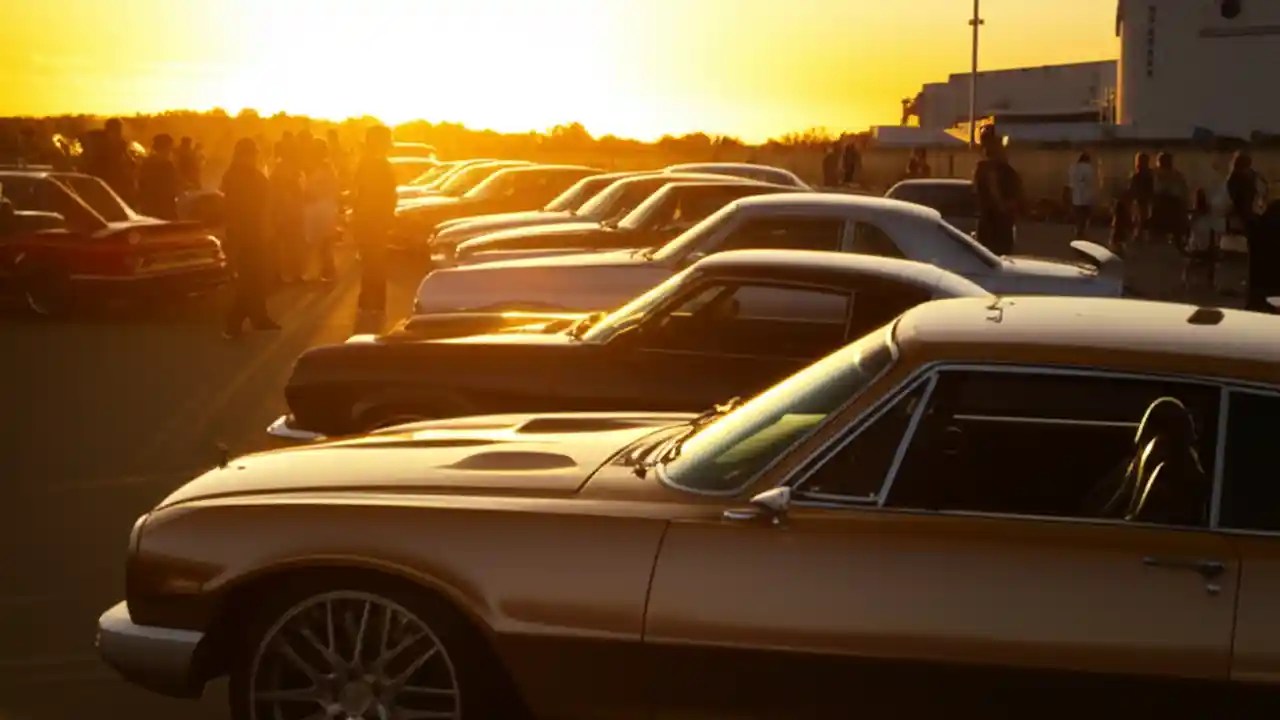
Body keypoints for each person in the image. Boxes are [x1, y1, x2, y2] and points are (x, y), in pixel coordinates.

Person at [221, 138, 280, 338]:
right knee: (250, 279)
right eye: (251, 153)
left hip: (255, 232)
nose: (254, 157)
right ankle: (233, 323)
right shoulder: (237, 177)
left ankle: (260, 317)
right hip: (246, 234)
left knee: (260, 278)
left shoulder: (250, 175)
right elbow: (237, 208)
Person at [351, 125, 397, 318]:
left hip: (368, 219)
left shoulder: (366, 163)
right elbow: (384, 194)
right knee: (375, 261)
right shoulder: (378, 165)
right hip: (373, 220)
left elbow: (359, 193)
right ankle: (373, 302)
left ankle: (369, 301)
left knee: (371, 261)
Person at [1227, 151, 1269, 311]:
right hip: (1246, 218)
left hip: (1247, 217)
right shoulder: (1239, 179)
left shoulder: (1239, 178)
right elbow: (1242, 201)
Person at [972, 125, 1022, 256]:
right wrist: (1004, 206)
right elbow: (995, 194)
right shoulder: (991, 169)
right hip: (996, 225)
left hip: (995, 224)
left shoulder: (986, 169)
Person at [269, 137, 306, 283]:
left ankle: (288, 273)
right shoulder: (283, 171)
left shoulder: (284, 170)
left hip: (290, 212)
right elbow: (277, 192)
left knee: (289, 244)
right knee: (287, 244)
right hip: (286, 212)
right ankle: (285, 273)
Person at [303, 138, 341, 282]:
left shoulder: (326, 169)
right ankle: (323, 271)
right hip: (316, 208)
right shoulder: (312, 167)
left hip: (322, 207)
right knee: (317, 242)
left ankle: (325, 272)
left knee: (322, 241)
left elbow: (331, 189)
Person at [86, 118, 137, 204]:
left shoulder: (120, 145)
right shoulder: (101, 149)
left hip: (118, 187)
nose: (120, 133)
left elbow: (130, 162)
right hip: (107, 188)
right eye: (118, 130)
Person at [1183, 188, 1220, 294]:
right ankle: (1210, 281)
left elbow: (1187, 232)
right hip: (1207, 248)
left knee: (1189, 248)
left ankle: (1185, 279)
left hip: (1195, 249)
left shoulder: (1193, 217)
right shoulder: (1211, 218)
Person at [136, 134, 180, 220]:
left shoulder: (146, 164)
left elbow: (140, 184)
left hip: (148, 209)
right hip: (164, 209)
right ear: (166, 148)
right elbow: (172, 187)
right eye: (170, 147)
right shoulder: (167, 165)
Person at [1151, 152, 1190, 248]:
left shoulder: (1176, 175)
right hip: (1160, 204)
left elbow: (1182, 191)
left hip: (1173, 204)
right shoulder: (1154, 174)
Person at [1068, 151, 1099, 239]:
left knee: (1078, 214)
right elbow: (1091, 181)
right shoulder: (1089, 168)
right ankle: (1081, 230)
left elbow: (1071, 182)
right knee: (1085, 214)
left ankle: (1078, 229)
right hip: (1086, 196)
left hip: (1076, 196)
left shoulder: (1073, 168)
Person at [1127, 152, 1155, 242]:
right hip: (1147, 198)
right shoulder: (1150, 174)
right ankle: (1141, 234)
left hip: (1139, 198)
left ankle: (1139, 235)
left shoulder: (1136, 175)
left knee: (1139, 217)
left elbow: (1132, 188)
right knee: (1143, 216)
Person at [1110, 192, 1134, 257]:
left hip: (1119, 230)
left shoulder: (1119, 216)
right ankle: (1118, 249)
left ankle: (1117, 249)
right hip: (1121, 230)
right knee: (1119, 238)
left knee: (1118, 238)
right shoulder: (1124, 215)